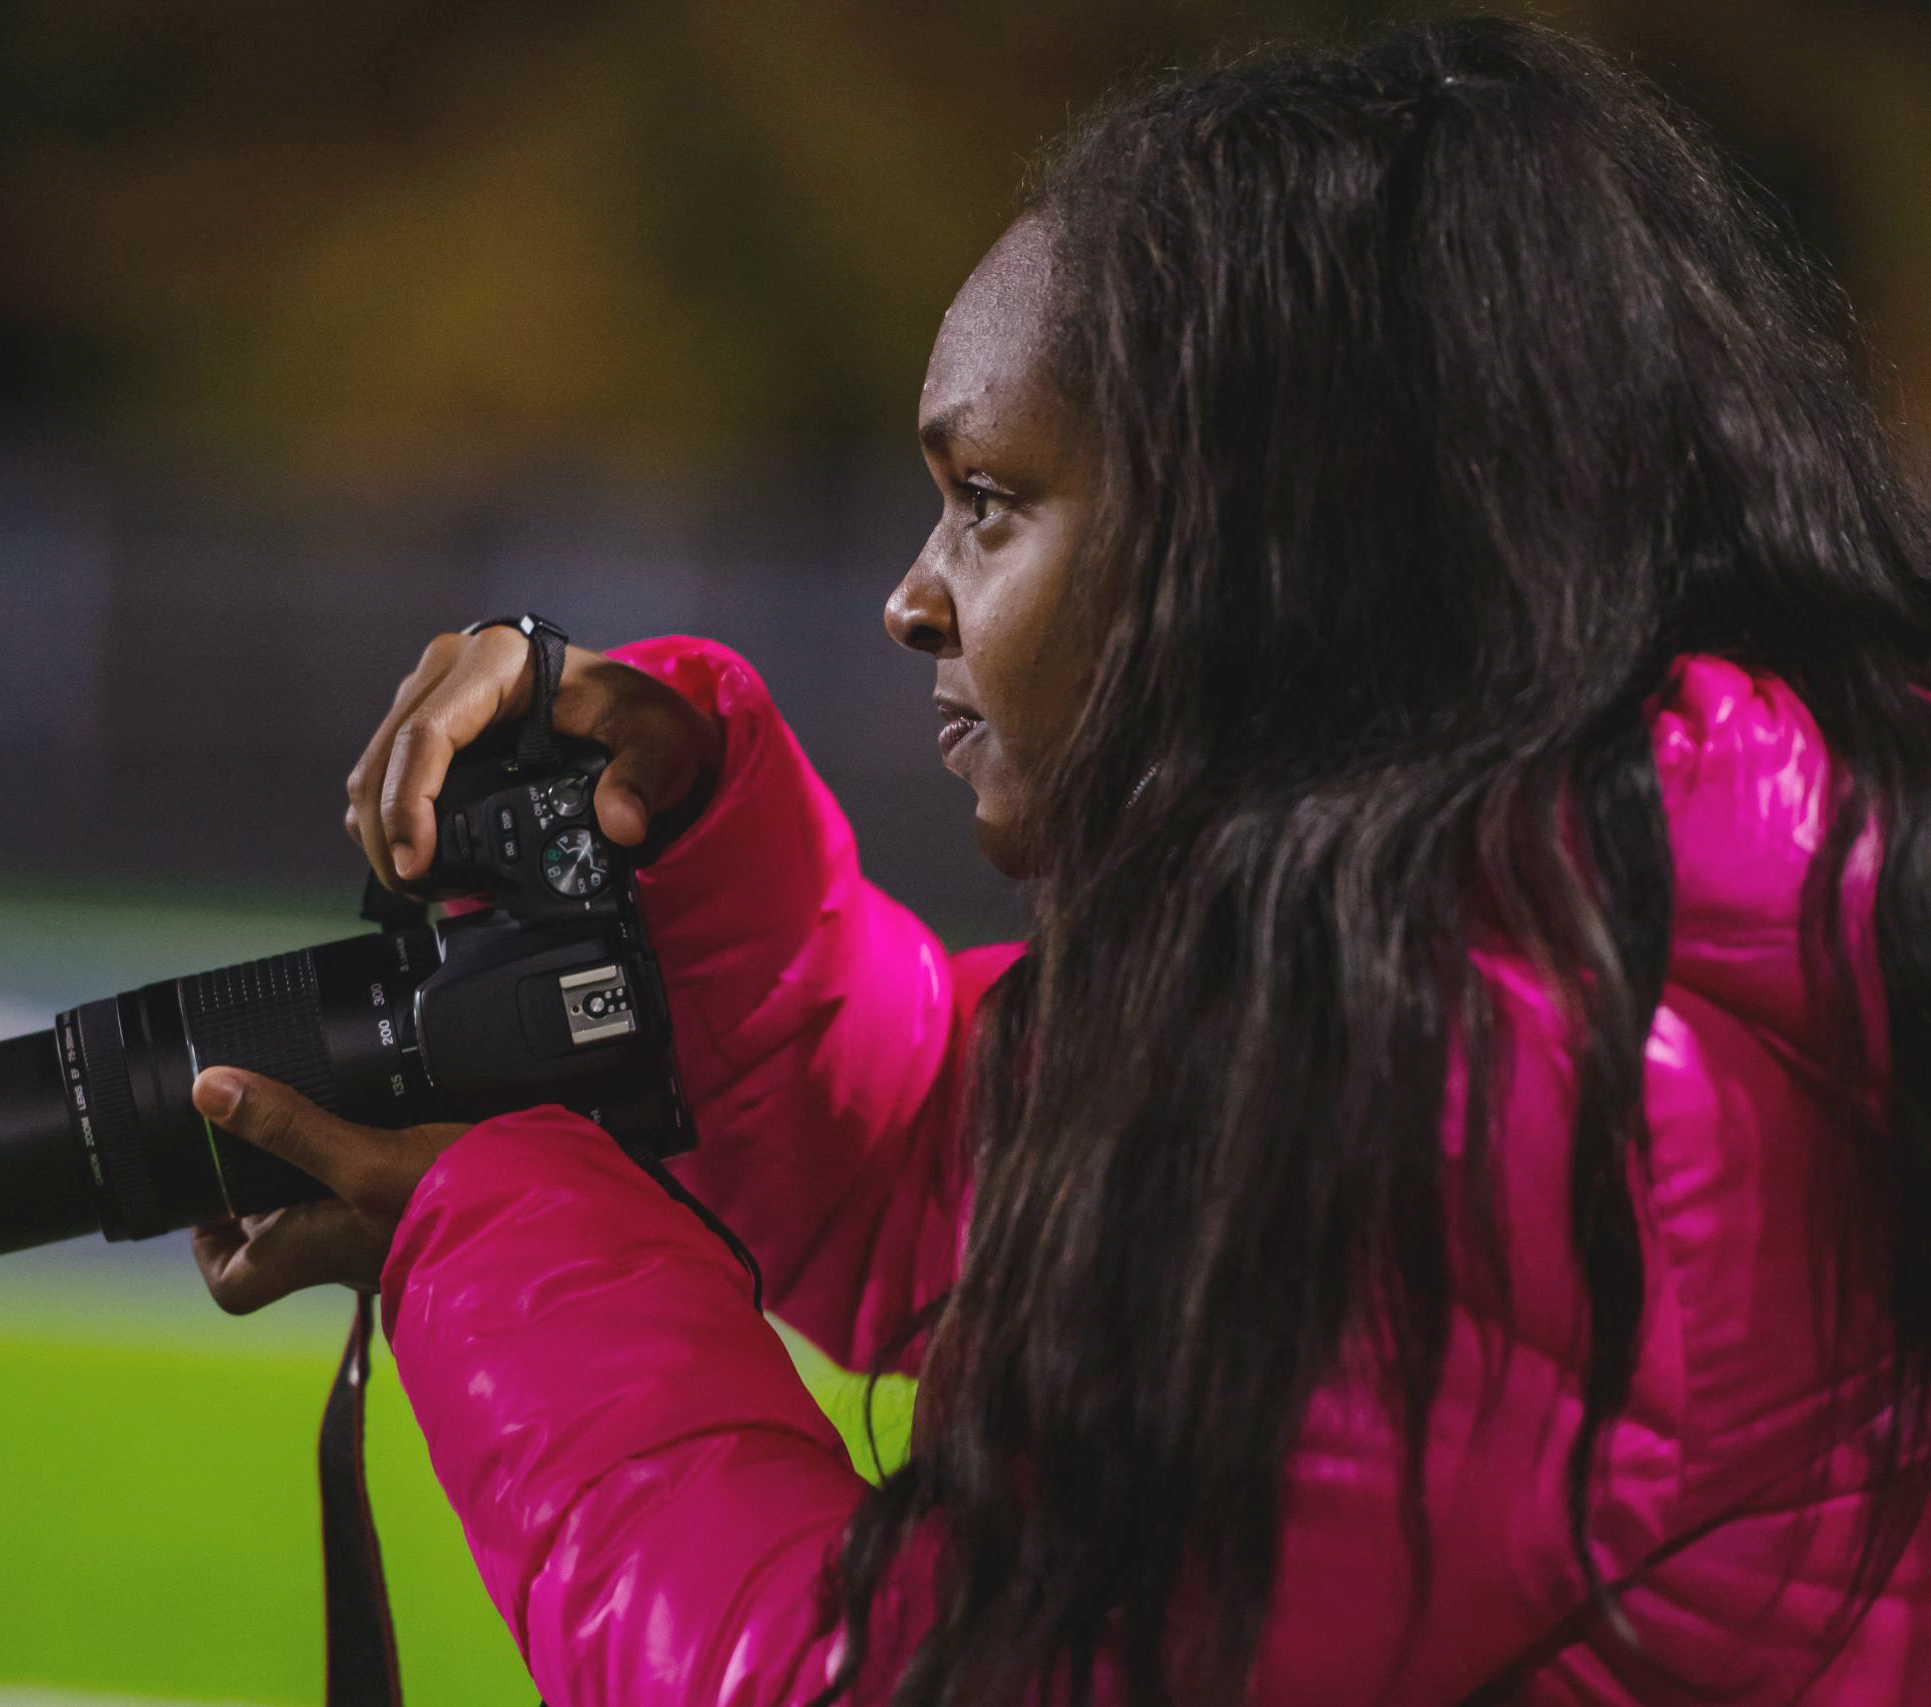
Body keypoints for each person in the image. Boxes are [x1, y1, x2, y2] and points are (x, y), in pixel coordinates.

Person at [185, 16, 1931, 1704]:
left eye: (991, 499)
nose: (911, 595)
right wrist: (703, 842)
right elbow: (958, 1177)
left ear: (1269, 543)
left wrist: (483, 1231)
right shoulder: (1584, 922)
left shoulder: (1501, 1085)